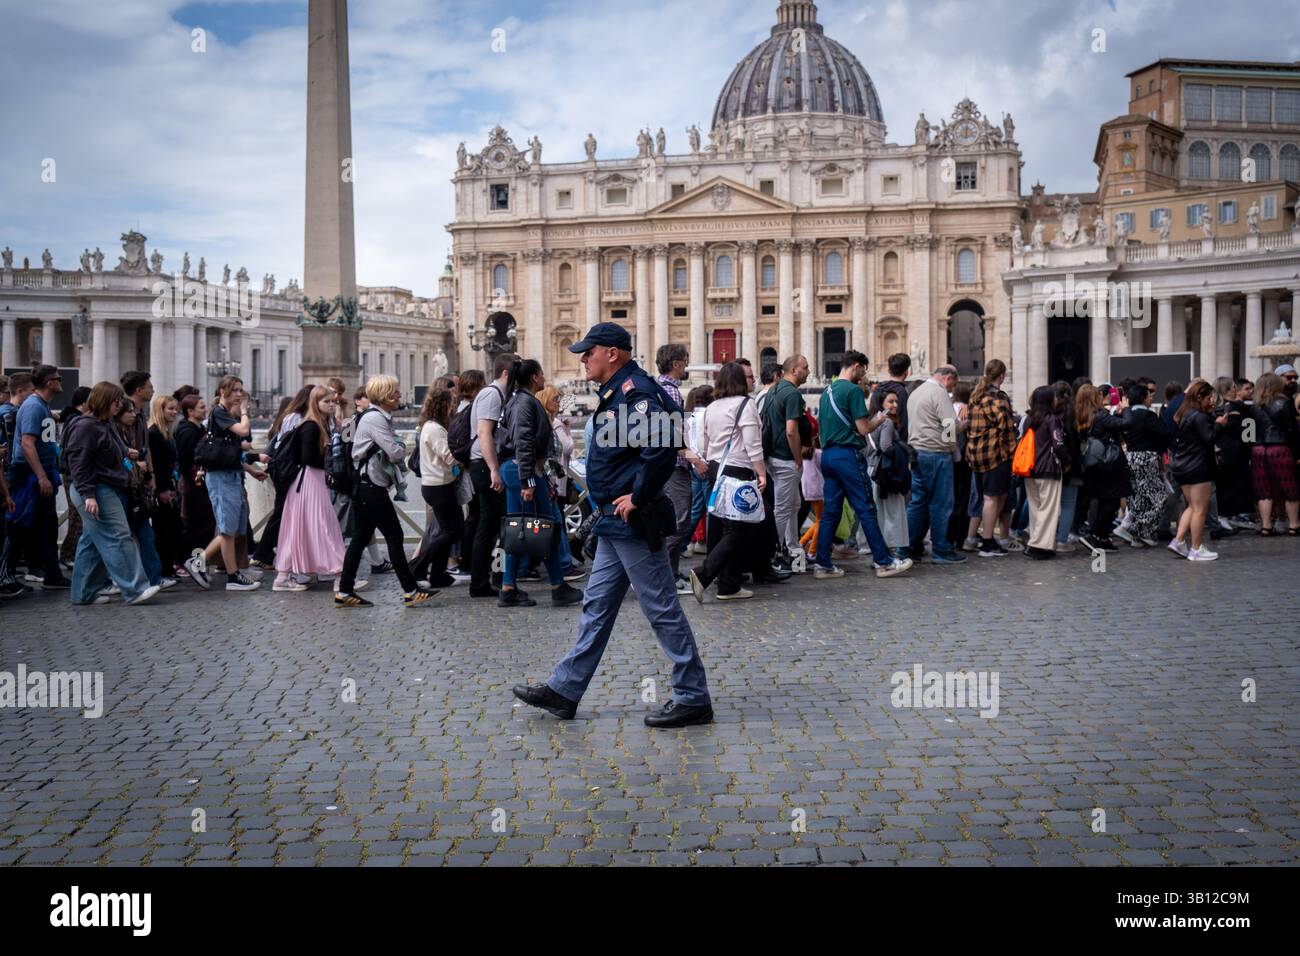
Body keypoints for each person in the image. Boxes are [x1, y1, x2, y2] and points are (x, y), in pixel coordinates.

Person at [512, 323, 712, 728]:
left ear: (613, 354)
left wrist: (637, 496)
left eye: (589, 352)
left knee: (660, 607)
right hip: (611, 523)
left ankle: (693, 696)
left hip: (632, 521)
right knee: (597, 604)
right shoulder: (616, 392)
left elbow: (661, 447)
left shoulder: (634, 394)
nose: (583, 359)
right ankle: (565, 689)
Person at [334, 375, 436, 608]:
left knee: (360, 538)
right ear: (386, 395)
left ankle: (344, 591)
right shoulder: (375, 420)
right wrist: (398, 445)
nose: (400, 395)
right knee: (394, 535)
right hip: (370, 487)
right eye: (396, 391)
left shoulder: (372, 417)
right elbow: (395, 452)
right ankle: (410, 590)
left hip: (365, 486)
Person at [815, 351, 913, 579]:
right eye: (864, 370)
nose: (864, 375)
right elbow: (863, 429)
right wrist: (880, 418)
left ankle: (823, 564)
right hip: (846, 455)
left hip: (828, 456)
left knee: (831, 512)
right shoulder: (852, 390)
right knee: (866, 508)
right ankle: (884, 561)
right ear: (856, 366)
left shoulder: (826, 391)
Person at [495, 359, 584, 608]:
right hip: (523, 472)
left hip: (516, 470)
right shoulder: (525, 403)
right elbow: (523, 442)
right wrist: (528, 480)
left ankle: (508, 587)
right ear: (534, 377)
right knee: (548, 527)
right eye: (542, 373)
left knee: (518, 529)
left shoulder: (516, 400)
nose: (544, 376)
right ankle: (558, 586)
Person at [62, 382, 160, 606]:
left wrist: (126, 452)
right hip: (96, 488)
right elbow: (79, 463)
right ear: (106, 401)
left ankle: (83, 592)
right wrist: (89, 495)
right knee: (118, 536)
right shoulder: (86, 426)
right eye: (116, 401)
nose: (120, 405)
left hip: (103, 487)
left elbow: (102, 451)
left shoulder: (103, 424)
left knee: (93, 543)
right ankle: (134, 589)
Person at [689, 362, 767, 601]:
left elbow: (703, 444)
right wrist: (761, 473)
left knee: (723, 526)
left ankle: (728, 584)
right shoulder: (746, 405)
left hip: (715, 468)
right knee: (740, 528)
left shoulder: (711, 407)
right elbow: (753, 444)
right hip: (738, 468)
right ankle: (704, 574)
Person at [273, 386, 346, 591]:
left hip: (306, 481)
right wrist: (329, 464)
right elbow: (308, 457)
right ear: (315, 403)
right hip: (309, 480)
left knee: (301, 527)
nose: (331, 405)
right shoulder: (311, 426)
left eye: (332, 401)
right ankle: (340, 574)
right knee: (324, 525)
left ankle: (283, 576)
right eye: (326, 402)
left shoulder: (315, 424)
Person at [7, 365, 70, 589]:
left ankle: (52, 574)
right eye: (58, 378)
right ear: (49, 382)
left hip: (39, 473)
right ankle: (7, 574)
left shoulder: (40, 406)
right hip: (30, 475)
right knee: (21, 525)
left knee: (47, 526)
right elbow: (27, 444)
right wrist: (42, 476)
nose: (61, 381)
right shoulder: (34, 407)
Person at [204, 375, 267, 591]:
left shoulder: (224, 414)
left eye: (241, 390)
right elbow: (243, 431)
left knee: (232, 528)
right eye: (236, 390)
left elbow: (233, 449)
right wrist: (244, 412)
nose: (240, 394)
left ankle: (230, 571)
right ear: (223, 391)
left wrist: (250, 469)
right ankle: (230, 576)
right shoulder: (219, 412)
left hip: (231, 474)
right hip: (220, 478)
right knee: (227, 529)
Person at [654, 344, 707, 583]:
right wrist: (694, 459)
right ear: (676, 364)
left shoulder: (659, 387)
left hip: (667, 464)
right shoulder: (671, 392)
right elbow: (675, 432)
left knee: (676, 519)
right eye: (685, 361)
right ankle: (659, 573)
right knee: (680, 520)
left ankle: (672, 572)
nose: (687, 366)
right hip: (675, 465)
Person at [468, 352, 519, 598]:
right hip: (485, 465)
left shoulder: (499, 394)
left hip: (484, 465)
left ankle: (481, 582)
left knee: (488, 525)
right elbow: (483, 433)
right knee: (505, 521)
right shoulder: (491, 394)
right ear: (506, 373)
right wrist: (494, 470)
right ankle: (500, 577)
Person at [905, 365, 967, 564]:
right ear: (947, 379)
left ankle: (906, 545)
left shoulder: (916, 392)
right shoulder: (939, 394)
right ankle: (941, 548)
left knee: (918, 502)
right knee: (941, 503)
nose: (951, 390)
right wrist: (959, 432)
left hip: (916, 453)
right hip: (936, 453)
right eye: (953, 385)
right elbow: (949, 425)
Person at [251, 385, 313, 569]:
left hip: (283, 468)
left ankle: (266, 552)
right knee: (282, 511)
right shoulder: (298, 418)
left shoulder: (291, 417)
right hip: (289, 469)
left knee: (283, 511)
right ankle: (265, 553)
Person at [410, 386, 462, 590]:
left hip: (439, 485)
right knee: (451, 531)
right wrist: (464, 458)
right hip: (438, 486)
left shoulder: (432, 427)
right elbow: (449, 456)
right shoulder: (434, 429)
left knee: (448, 530)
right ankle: (417, 566)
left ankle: (438, 574)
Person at [964, 360, 1018, 557]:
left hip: (976, 454)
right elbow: (1007, 428)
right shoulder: (998, 398)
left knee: (994, 496)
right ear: (1001, 376)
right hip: (995, 454)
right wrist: (1014, 454)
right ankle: (987, 542)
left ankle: (984, 537)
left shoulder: (976, 396)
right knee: (991, 498)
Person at [763, 354, 809, 570]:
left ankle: (793, 552)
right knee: (783, 509)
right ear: (794, 371)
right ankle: (772, 555)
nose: (808, 372)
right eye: (805, 368)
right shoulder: (792, 395)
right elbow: (792, 431)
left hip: (774, 456)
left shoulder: (774, 389)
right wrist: (798, 457)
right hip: (786, 459)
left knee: (794, 504)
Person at [1168, 379, 1222, 560]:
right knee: (1200, 509)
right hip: (1198, 467)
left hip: (1183, 466)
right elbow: (1209, 439)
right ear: (1200, 397)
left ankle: (1179, 541)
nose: (1211, 401)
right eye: (1209, 398)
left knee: (1191, 506)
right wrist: (1219, 424)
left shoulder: (1184, 414)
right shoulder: (1199, 417)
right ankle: (1196, 549)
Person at [1114, 381, 1170, 548]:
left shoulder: (1127, 413)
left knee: (1138, 497)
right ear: (1144, 398)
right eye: (1149, 395)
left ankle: (1138, 537)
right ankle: (1137, 529)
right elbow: (1165, 433)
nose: (1151, 398)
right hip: (1146, 457)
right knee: (1159, 496)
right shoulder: (1148, 415)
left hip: (1130, 457)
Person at [1076, 383, 1131, 552]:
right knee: (1112, 501)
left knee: (1101, 500)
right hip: (1108, 464)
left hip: (1093, 464)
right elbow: (1127, 424)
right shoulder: (1100, 415)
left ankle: (1102, 538)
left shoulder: (1082, 416)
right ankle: (1094, 535)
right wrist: (1126, 410)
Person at [1021, 385, 1072, 560]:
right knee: (1048, 509)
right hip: (1049, 467)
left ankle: (1035, 541)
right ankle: (1040, 546)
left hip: (1029, 468)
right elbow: (1058, 444)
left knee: (1035, 509)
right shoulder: (1052, 419)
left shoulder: (1029, 419)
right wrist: (1066, 462)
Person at [176, 395, 219, 587]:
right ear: (190, 411)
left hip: (201, 482)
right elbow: (186, 461)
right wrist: (196, 476)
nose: (205, 409)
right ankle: (189, 561)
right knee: (197, 526)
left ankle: (199, 564)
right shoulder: (187, 432)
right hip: (195, 484)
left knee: (207, 526)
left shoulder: (199, 428)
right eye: (201, 407)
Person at [1251, 372, 1300, 535]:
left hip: (1258, 449)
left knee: (1263, 489)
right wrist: (1297, 452)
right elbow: (1291, 429)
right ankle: (1294, 525)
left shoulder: (1253, 406)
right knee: (1290, 488)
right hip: (1280, 448)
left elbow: (1248, 433)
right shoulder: (1284, 402)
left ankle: (1266, 526)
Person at [864, 389, 909, 554]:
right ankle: (890, 551)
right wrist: (901, 453)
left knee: (879, 513)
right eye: (890, 401)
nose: (895, 405)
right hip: (885, 472)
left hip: (872, 470)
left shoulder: (871, 420)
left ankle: (879, 550)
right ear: (881, 403)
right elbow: (885, 446)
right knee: (892, 511)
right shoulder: (887, 422)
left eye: (896, 401)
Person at [146, 394, 183, 580]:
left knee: (172, 529)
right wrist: (161, 490)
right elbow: (157, 465)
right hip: (162, 489)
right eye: (170, 409)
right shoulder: (153, 433)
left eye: (176, 409)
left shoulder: (166, 433)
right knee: (164, 531)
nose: (175, 412)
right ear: (159, 410)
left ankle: (168, 568)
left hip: (169, 485)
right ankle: (163, 570)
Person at [453, 370, 485, 577]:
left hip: (467, 467)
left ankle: (468, 559)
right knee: (476, 515)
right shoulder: (470, 409)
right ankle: (469, 560)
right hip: (472, 468)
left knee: (474, 515)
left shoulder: (460, 408)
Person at [58, 385, 92, 567]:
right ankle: (68, 555)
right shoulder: (76, 420)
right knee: (77, 516)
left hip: (72, 472)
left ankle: (69, 554)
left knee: (77, 515)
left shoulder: (71, 418)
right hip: (74, 473)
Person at [867, 352, 913, 439]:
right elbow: (903, 421)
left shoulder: (878, 388)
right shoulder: (902, 391)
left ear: (889, 371)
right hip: (893, 441)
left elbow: (872, 413)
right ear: (906, 372)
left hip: (875, 438)